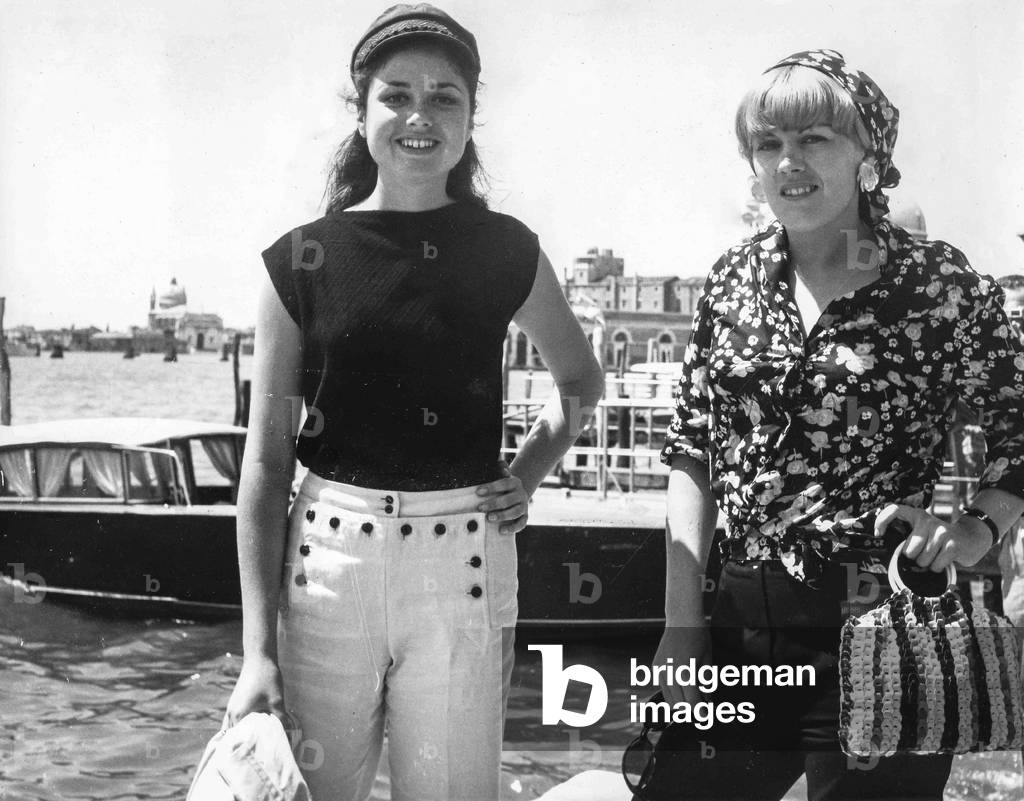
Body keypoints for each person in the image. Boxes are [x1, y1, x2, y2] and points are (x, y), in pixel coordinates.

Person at [220, 6, 605, 801]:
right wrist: (258, 651)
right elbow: (264, 462)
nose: (419, 116)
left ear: (471, 117)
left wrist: (525, 476)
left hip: (463, 564)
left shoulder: (508, 250)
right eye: (397, 95)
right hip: (326, 565)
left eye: (445, 97)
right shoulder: (298, 262)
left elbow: (581, 382)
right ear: (361, 113)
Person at [643, 49, 1024, 801]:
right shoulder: (731, 281)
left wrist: (967, 522)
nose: (790, 162)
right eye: (769, 143)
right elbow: (693, 451)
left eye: (815, 138)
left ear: (867, 156)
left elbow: (1005, 426)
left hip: (890, 623)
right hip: (743, 622)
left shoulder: (938, 284)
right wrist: (681, 624)